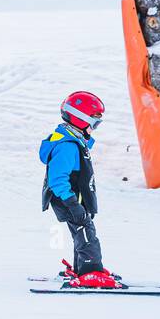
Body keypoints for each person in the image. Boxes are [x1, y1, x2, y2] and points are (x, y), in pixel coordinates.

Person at [39, 90, 116, 288]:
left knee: (80, 232)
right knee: (86, 231)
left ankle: (81, 268)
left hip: (75, 199)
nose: (95, 128)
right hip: (68, 199)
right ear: (80, 120)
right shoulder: (67, 146)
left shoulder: (76, 142)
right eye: (95, 123)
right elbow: (57, 179)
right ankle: (91, 272)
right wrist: (72, 204)